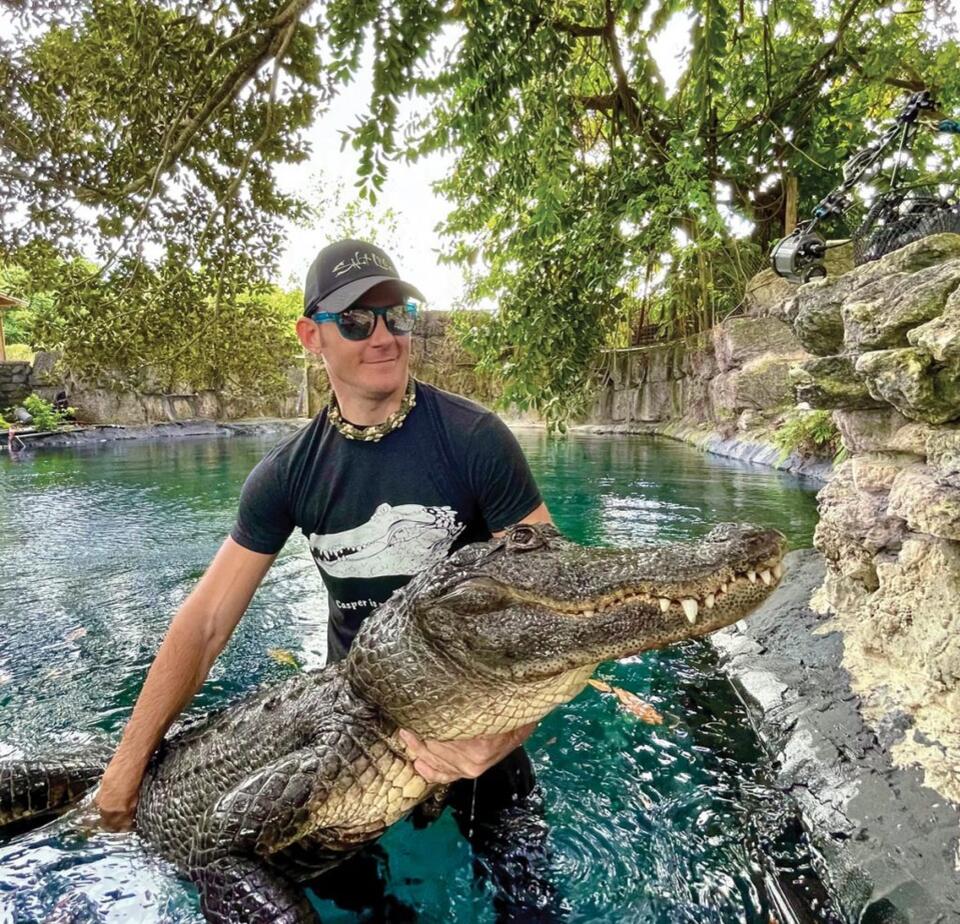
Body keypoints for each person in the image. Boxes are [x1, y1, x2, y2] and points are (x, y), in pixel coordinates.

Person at [95, 239, 559, 919]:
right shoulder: (288, 472)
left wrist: (504, 733)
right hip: (351, 741)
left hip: (473, 722)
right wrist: (125, 768)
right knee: (359, 906)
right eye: (357, 320)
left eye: (397, 315)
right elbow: (207, 622)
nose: (384, 336)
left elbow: (557, 598)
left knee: (534, 902)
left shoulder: (474, 438)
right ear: (312, 335)